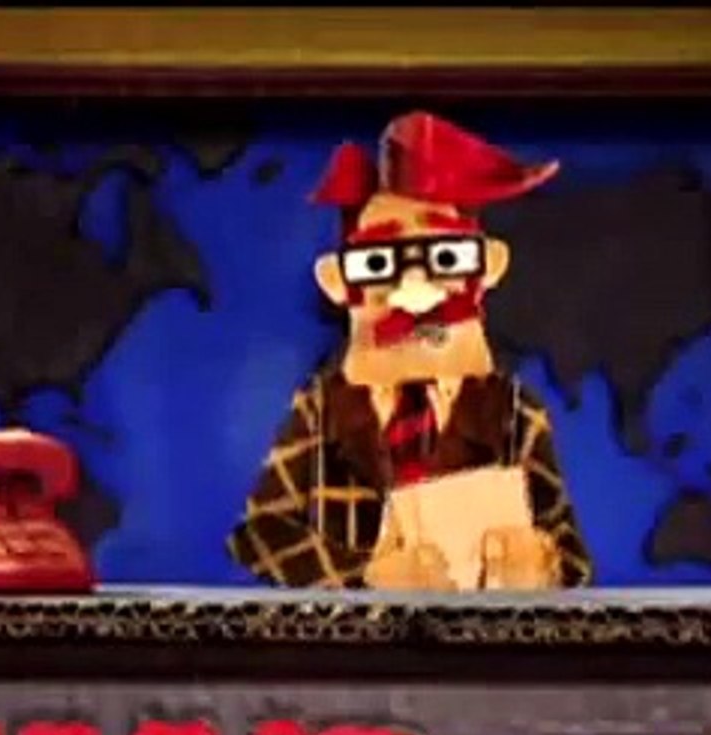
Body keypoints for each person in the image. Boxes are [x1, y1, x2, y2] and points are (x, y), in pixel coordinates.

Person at [228, 111, 593, 591]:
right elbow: (260, 533)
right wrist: (363, 579)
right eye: (380, 262)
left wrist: (544, 567)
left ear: (487, 267)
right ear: (338, 281)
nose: (415, 288)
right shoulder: (321, 410)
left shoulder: (513, 411)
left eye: (446, 258)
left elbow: (571, 552)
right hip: (357, 638)